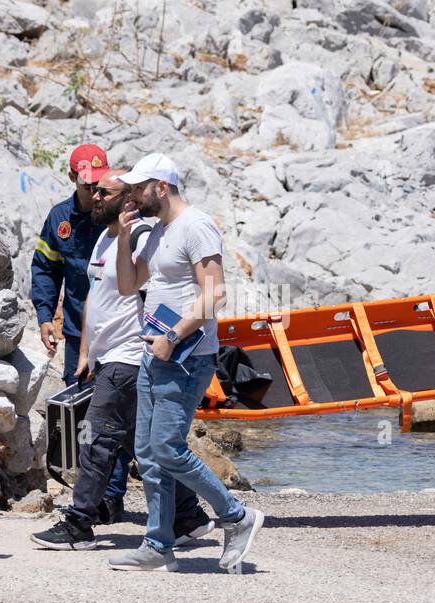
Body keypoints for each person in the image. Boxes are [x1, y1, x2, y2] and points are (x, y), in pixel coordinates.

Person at [30, 169, 214, 551]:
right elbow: (95, 299)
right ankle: (190, 516)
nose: (95, 198)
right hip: (106, 355)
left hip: (130, 355)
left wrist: (167, 340)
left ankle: (80, 523)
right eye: (94, 191)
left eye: (105, 193)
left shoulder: (142, 239)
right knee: (136, 441)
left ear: (128, 200)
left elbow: (159, 296)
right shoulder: (102, 237)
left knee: (97, 438)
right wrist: (84, 350)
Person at [106, 153, 264, 573]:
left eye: (139, 188)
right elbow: (127, 285)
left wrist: (173, 337)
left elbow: (215, 294)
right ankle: (158, 546)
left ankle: (236, 516)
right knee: (148, 452)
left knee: (167, 448)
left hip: (187, 355)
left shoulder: (197, 226)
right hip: (154, 353)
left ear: (161, 186)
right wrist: (123, 238)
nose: (132, 195)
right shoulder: (156, 232)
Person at [31, 143, 131, 522]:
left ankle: (112, 495)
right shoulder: (61, 219)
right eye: (87, 184)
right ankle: (91, 495)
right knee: (87, 421)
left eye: (99, 184)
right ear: (73, 178)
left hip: (122, 337)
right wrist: (45, 316)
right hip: (78, 336)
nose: (94, 192)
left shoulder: (122, 217)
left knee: (117, 418)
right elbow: (44, 268)